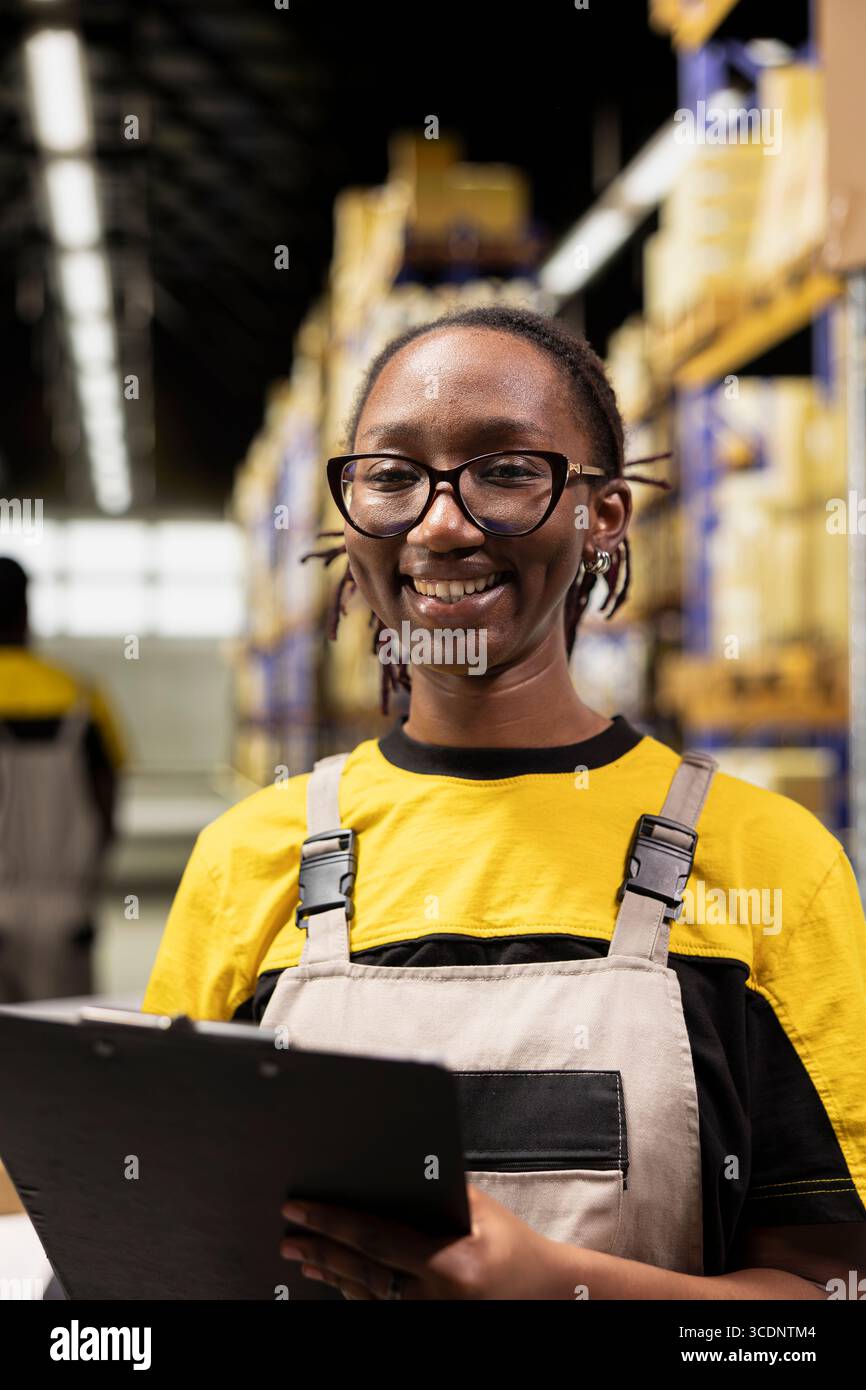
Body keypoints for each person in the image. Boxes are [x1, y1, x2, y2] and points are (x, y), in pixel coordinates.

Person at [143, 306, 866, 1299]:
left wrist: (561, 1290)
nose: (441, 523)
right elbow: (162, 1250)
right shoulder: (247, 859)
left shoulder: (770, 863)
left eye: (505, 471)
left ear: (601, 513)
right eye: (392, 476)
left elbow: (823, 1310)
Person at [0, 556, 125, 1001]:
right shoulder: (81, 696)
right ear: (26, 611)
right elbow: (107, 802)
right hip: (64, 913)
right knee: (55, 1055)